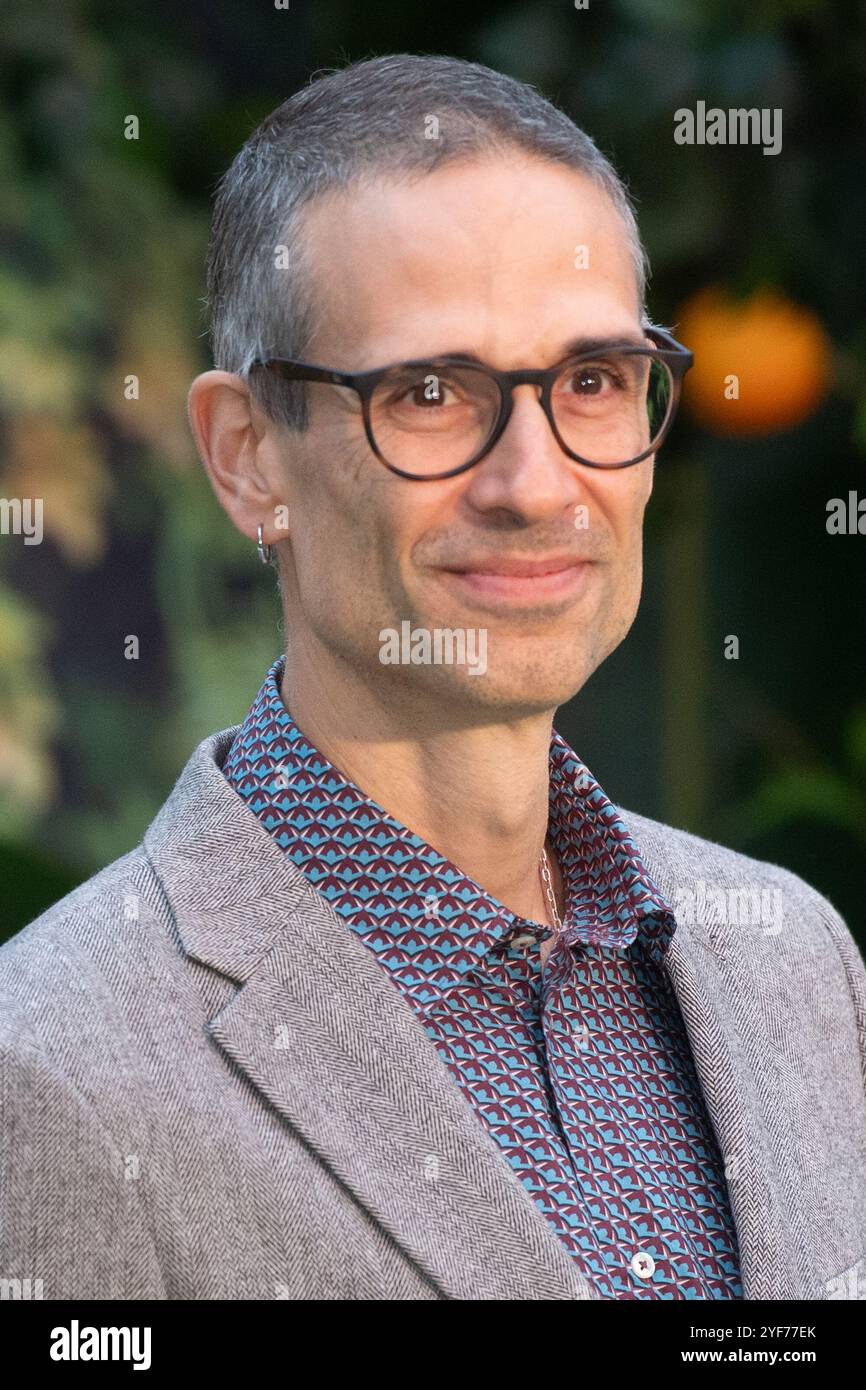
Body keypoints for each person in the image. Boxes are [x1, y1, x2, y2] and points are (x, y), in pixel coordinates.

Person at [2, 53, 865, 1302]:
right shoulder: (54, 1074)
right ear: (247, 458)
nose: (532, 484)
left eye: (590, 382)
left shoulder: (797, 959)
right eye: (428, 392)